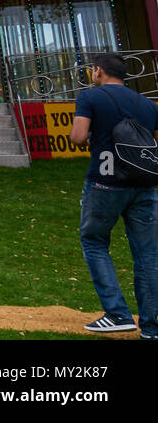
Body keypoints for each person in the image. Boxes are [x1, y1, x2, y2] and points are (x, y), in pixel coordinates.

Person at [68, 53, 157, 337]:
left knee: (94, 242)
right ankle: (151, 326)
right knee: (147, 255)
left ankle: (118, 313)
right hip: (143, 184)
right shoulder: (148, 104)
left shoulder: (90, 98)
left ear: (98, 71)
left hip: (104, 182)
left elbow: (78, 137)